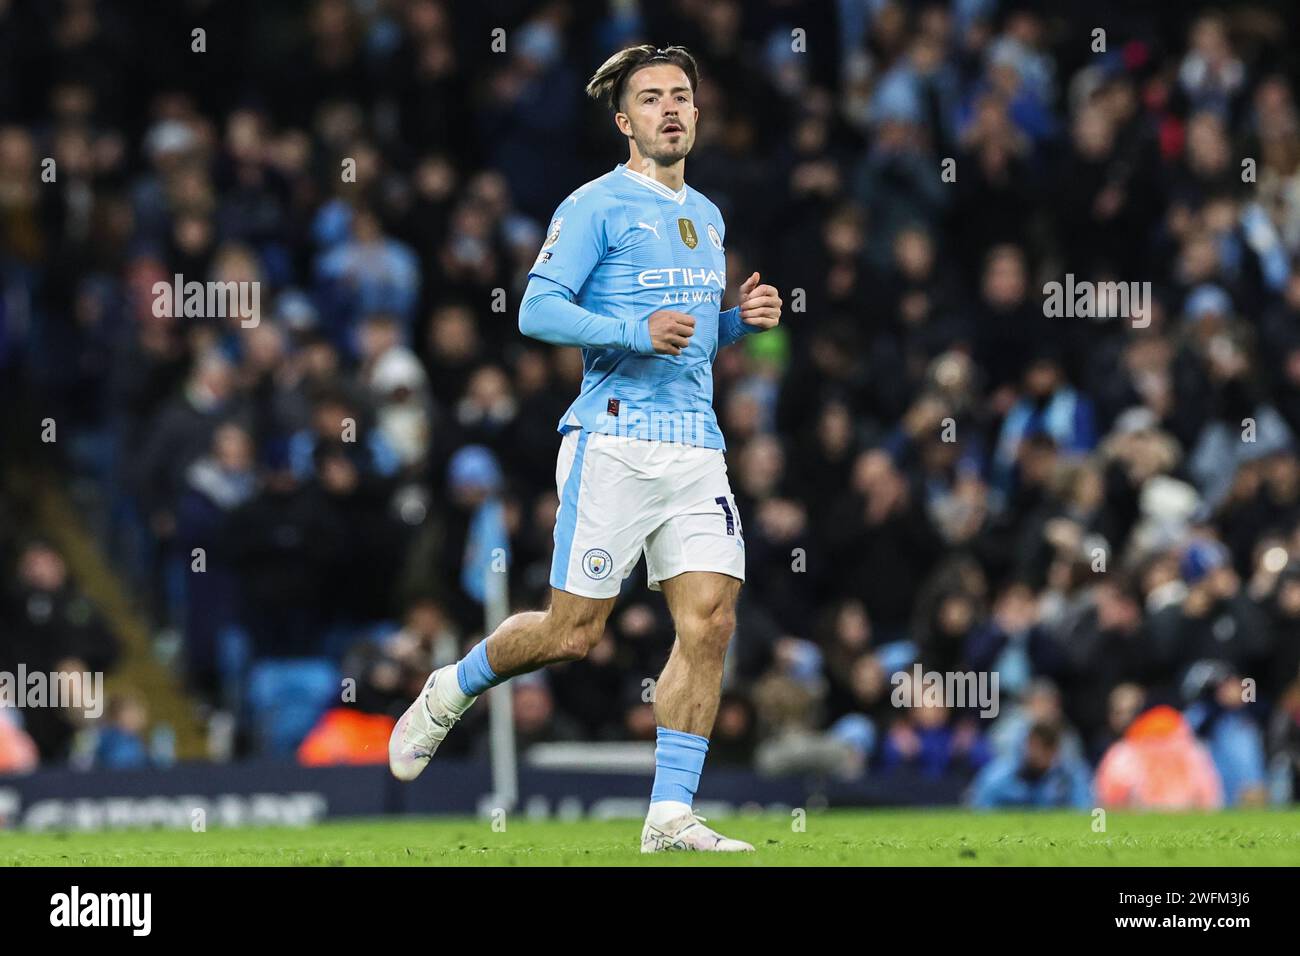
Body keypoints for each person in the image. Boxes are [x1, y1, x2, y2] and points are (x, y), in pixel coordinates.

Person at [388, 44, 782, 853]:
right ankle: (450, 687)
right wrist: (631, 331)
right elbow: (537, 309)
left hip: (695, 447)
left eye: (681, 96)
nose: (669, 108)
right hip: (612, 439)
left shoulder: (706, 217)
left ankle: (669, 814)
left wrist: (738, 321)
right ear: (624, 120)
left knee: (709, 622)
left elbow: (689, 339)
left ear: (698, 114)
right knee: (574, 633)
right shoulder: (594, 205)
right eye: (651, 99)